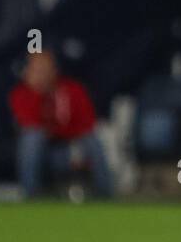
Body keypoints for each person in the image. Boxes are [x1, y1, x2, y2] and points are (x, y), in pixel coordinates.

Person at [9, 50, 112, 198]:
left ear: (55, 70)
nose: (42, 74)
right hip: (40, 153)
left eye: (45, 69)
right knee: (32, 138)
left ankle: (105, 196)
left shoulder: (73, 89)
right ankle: (30, 196)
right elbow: (28, 123)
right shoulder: (21, 93)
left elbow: (87, 123)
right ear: (27, 72)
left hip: (69, 149)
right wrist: (38, 93)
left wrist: (66, 136)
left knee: (92, 140)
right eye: (37, 70)